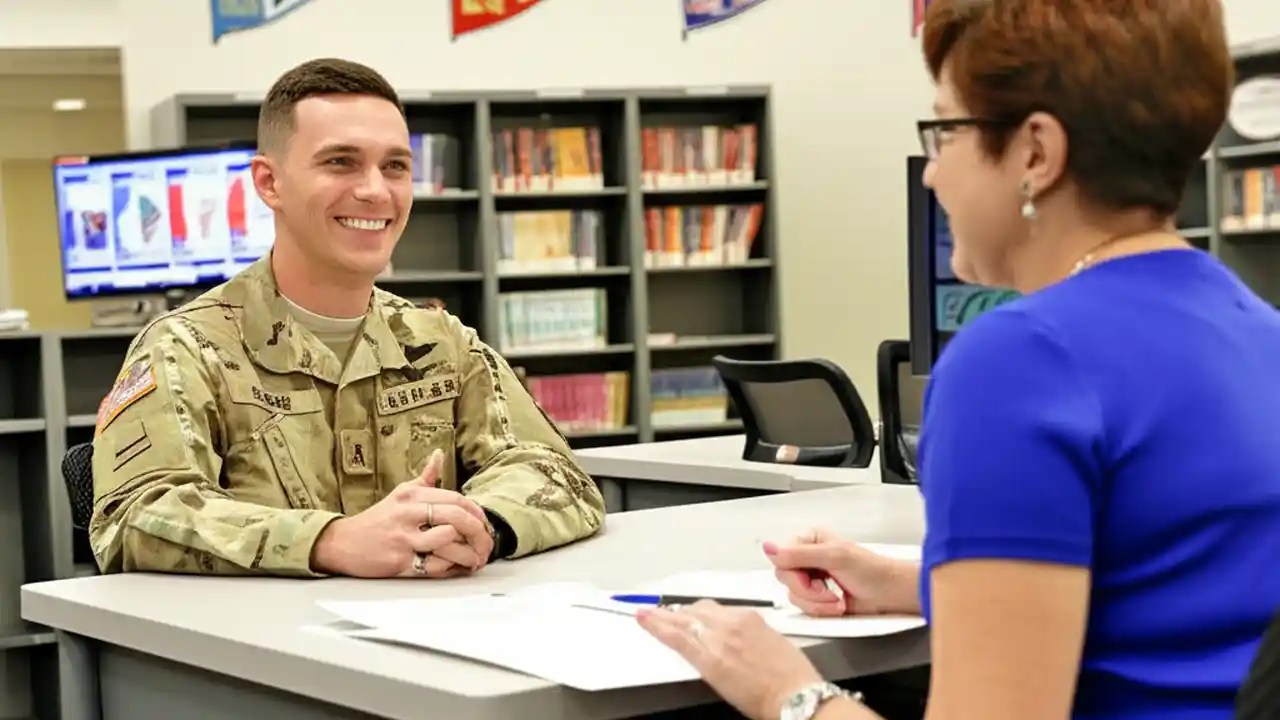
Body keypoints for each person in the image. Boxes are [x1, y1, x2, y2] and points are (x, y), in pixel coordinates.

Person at [637, 1, 1280, 719]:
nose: (931, 174)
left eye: (946, 131)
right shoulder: (1260, 333)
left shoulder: (1020, 363)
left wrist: (786, 691)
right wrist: (904, 579)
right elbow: (1159, 584)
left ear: (1036, 151)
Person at [89, 58, 605, 578]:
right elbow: (133, 515)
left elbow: (557, 474)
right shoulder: (187, 347)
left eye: (396, 167)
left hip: (437, 629)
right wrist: (329, 541)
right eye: (341, 162)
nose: (376, 191)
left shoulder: (441, 342)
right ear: (270, 183)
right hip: (264, 645)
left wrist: (480, 525)